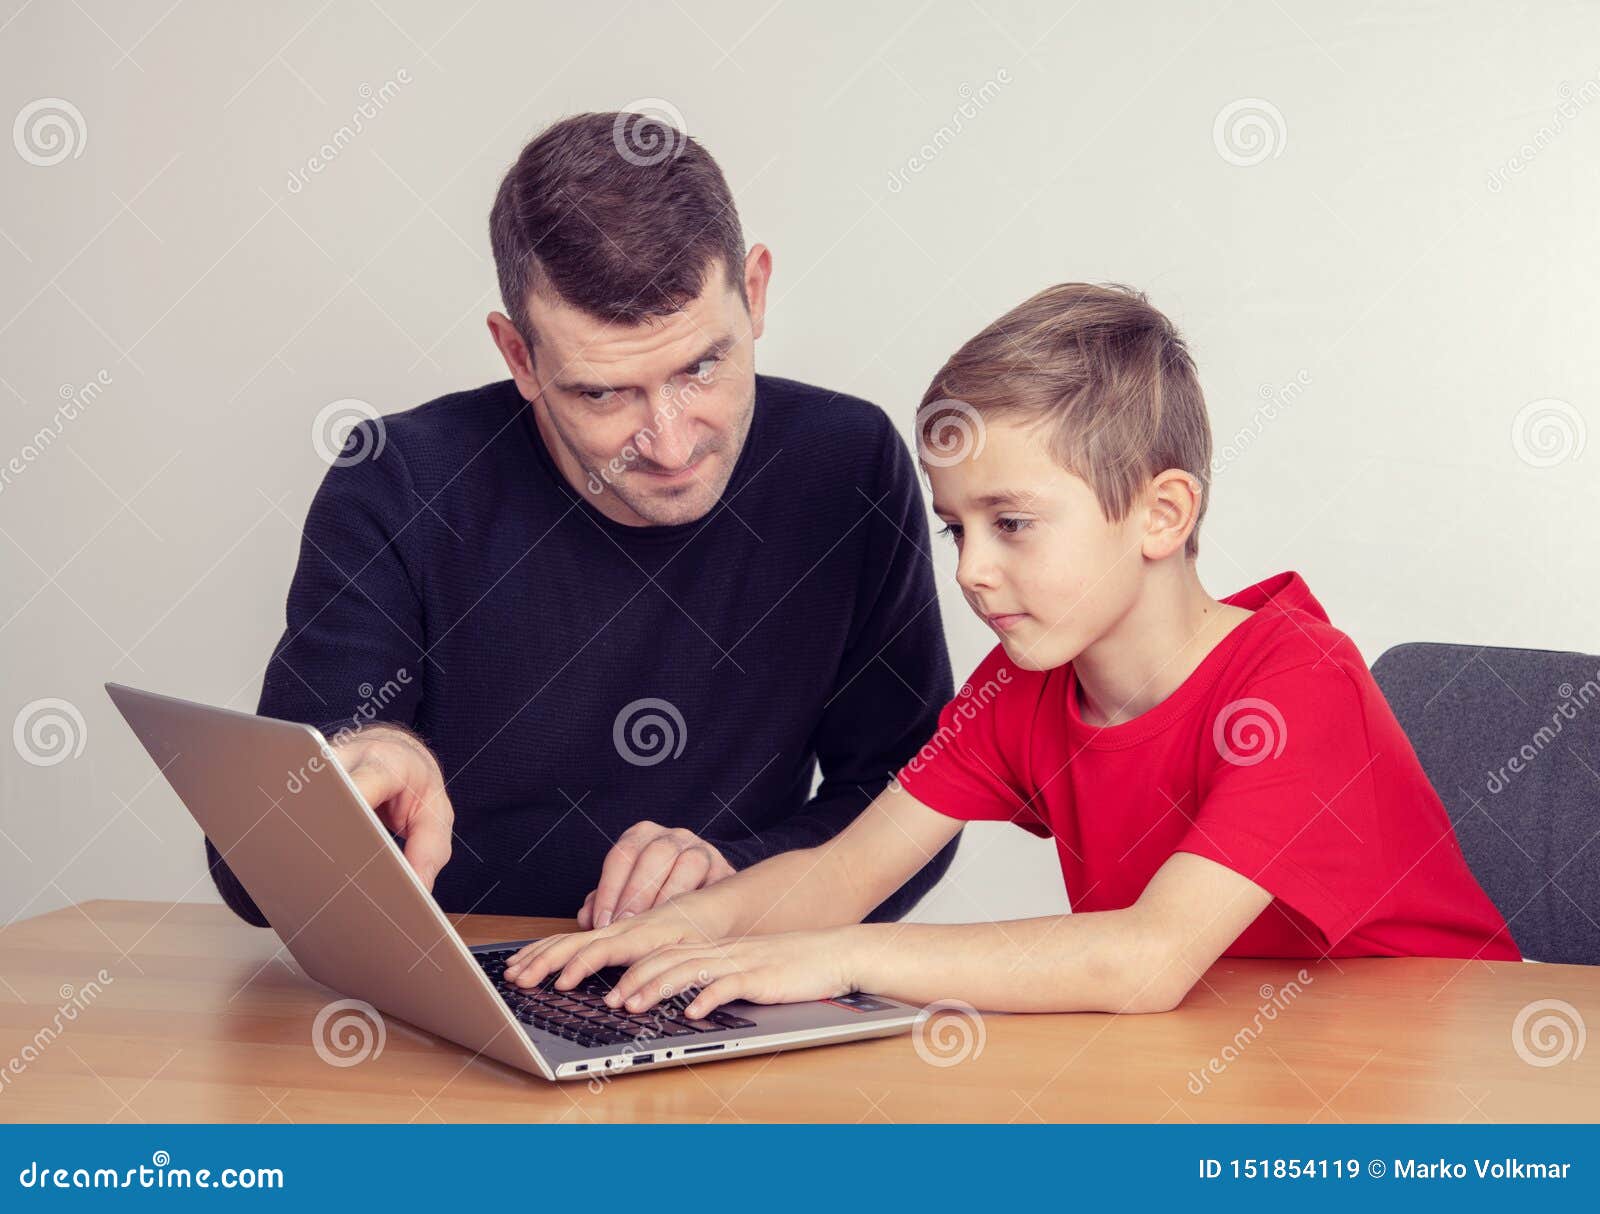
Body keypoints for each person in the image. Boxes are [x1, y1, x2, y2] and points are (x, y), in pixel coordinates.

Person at [501, 282, 1519, 1020]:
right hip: (1243, 1065)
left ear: (1160, 513)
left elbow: (1143, 960)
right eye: (955, 528)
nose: (972, 571)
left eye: (1012, 523)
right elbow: (841, 870)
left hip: (1450, 1081)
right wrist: (688, 931)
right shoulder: (1024, 685)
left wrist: (837, 959)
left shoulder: (1297, 685)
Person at [207, 111, 957, 929]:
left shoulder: (845, 465)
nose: (670, 443)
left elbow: (914, 798)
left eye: (702, 366)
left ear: (756, 292)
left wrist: (738, 879)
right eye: (602, 393)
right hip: (457, 997)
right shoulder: (398, 481)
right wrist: (359, 776)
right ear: (519, 357)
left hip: (725, 979)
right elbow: (251, 876)